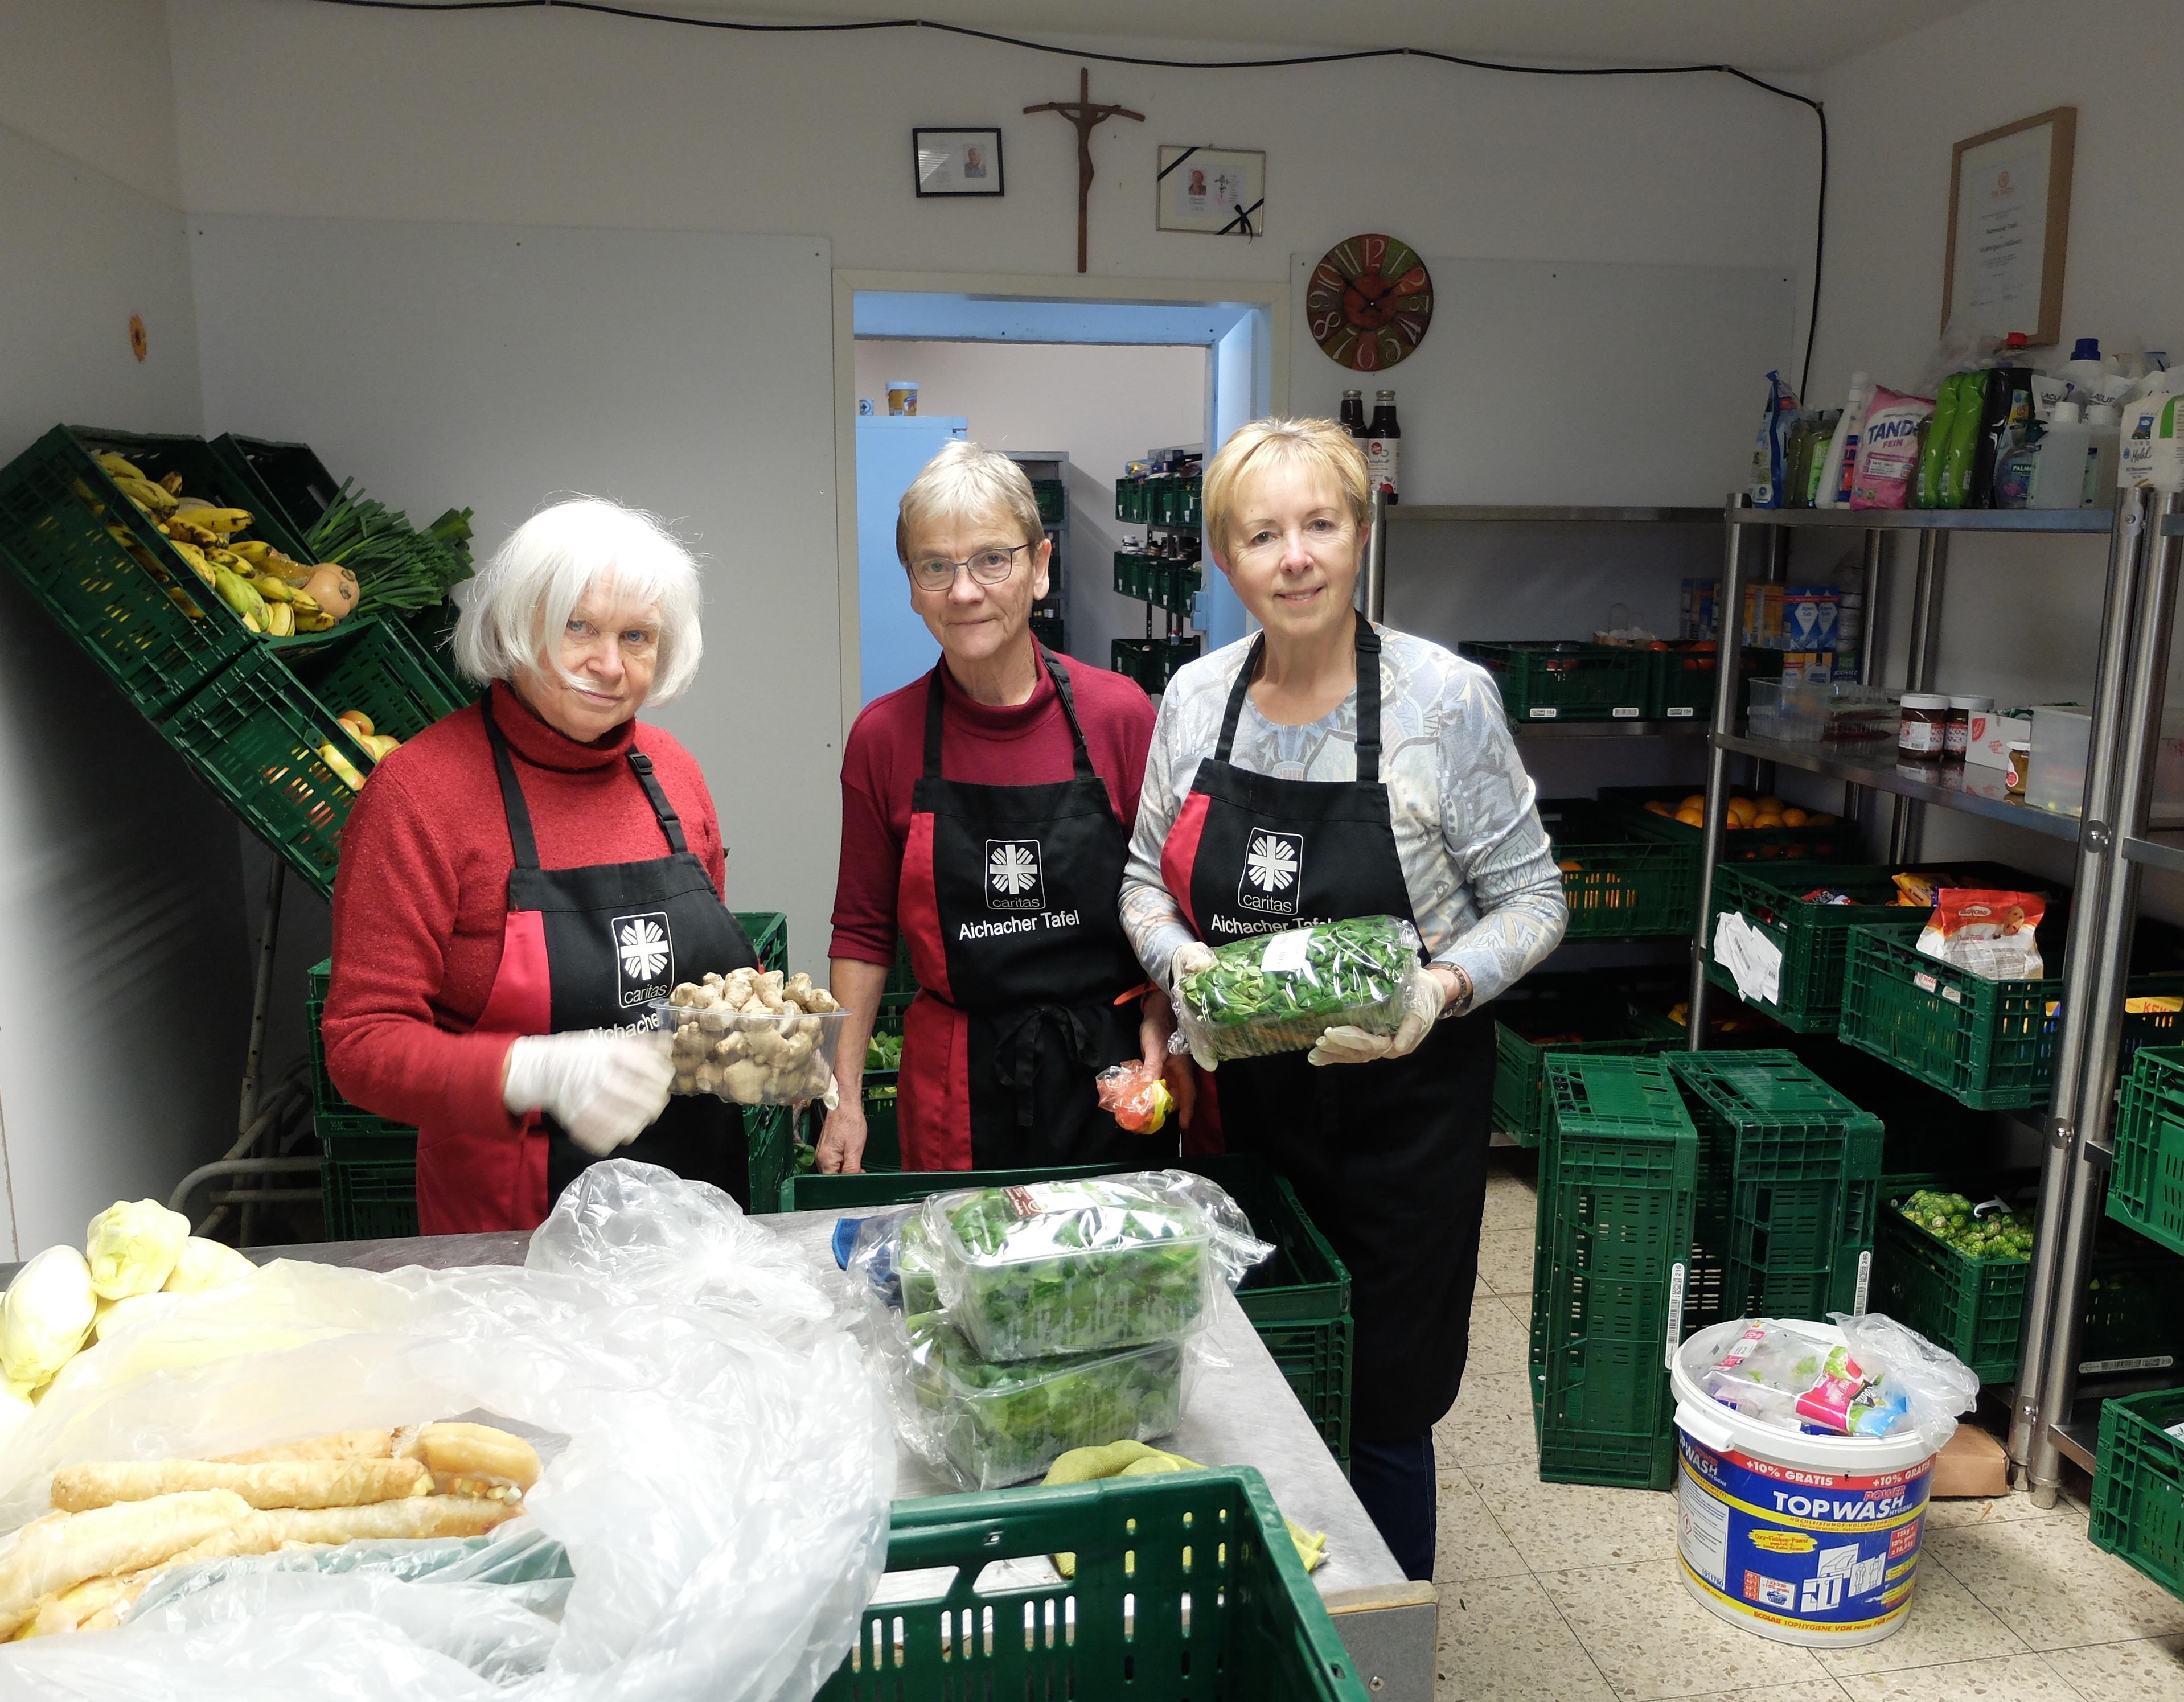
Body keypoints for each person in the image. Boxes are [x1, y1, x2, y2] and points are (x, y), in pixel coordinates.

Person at [1119, 418, 1568, 1581]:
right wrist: (1184, 966)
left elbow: (1533, 900)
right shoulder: (1194, 700)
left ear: (1360, 533)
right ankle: (1270, 1621)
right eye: (1261, 534)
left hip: (1400, 1131)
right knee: (1251, 1382)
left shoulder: (1442, 700)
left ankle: (1381, 1650)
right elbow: (1137, 885)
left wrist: (1437, 986)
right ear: (1225, 560)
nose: (1295, 557)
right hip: (1245, 1122)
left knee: (1381, 1404)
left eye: (1319, 523)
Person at [325, 497, 762, 1234]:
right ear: (515, 626)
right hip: (515, 1248)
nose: (609, 664)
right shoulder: (418, 795)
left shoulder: (674, 774)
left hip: (697, 1219)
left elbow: (700, 983)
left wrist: (750, 1036)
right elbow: (361, 1046)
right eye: (577, 626)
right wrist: (533, 1072)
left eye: (637, 636)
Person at [820, 441, 1171, 1174]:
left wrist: (1164, 1023)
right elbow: (862, 927)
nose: (965, 591)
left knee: (1110, 1279)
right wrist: (844, 1092)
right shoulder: (884, 738)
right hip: (953, 1082)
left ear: (1041, 567)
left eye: (992, 559)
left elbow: (1164, 895)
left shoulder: (1120, 715)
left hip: (1111, 1074)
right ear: (913, 588)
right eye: (935, 566)